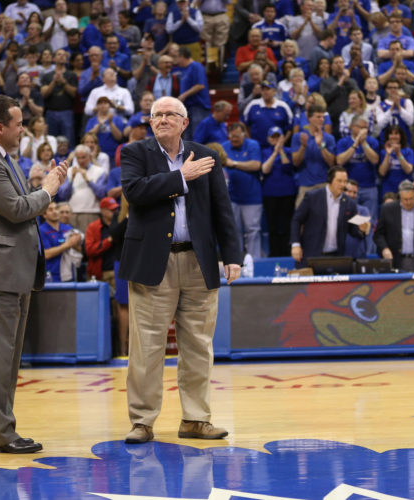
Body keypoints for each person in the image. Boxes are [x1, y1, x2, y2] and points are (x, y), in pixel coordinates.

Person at [119, 96, 242, 443]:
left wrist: (232, 255)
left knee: (199, 345)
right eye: (156, 115)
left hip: (198, 262)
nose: (162, 119)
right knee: (146, 347)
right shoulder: (135, 153)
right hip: (152, 263)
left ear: (184, 122)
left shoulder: (207, 155)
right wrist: (180, 177)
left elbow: (222, 208)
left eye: (169, 114)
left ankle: (196, 419)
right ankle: (142, 421)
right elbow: (135, 192)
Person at [0, 94, 68, 453]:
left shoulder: (1, 158)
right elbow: (17, 209)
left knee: (3, 362)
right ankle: (4, 436)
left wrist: (47, 186)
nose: (24, 129)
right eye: (19, 124)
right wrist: (48, 191)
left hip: (10, 273)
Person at [290, 166, 369, 266]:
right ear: (329, 181)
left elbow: (352, 230)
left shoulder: (349, 203)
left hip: (336, 256)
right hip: (311, 253)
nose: (343, 184)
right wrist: (295, 244)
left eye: (345, 181)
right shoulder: (312, 197)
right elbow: (297, 220)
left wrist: (361, 230)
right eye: (339, 181)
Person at [222, 122, 263, 258]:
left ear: (244, 135)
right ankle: (236, 261)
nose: (234, 139)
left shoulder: (252, 145)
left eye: (237, 136)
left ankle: (254, 261)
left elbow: (256, 165)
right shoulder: (224, 147)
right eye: (232, 136)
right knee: (234, 230)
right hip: (232, 197)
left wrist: (233, 163)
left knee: (253, 230)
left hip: (252, 197)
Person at [261, 126, 296, 257]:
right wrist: (275, 153)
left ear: (282, 138)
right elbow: (265, 169)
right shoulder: (265, 152)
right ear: (269, 139)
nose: (275, 140)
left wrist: (281, 151)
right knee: (272, 225)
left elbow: (288, 167)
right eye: (273, 137)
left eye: (278, 137)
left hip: (287, 192)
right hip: (270, 193)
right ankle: (274, 253)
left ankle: (286, 252)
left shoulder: (289, 151)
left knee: (286, 225)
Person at [39, 200, 83, 283]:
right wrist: (67, 245)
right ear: (44, 214)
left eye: (56, 208)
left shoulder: (68, 228)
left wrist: (76, 243)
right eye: (50, 209)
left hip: (69, 274)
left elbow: (80, 250)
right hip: (51, 275)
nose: (55, 211)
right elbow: (46, 254)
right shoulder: (41, 230)